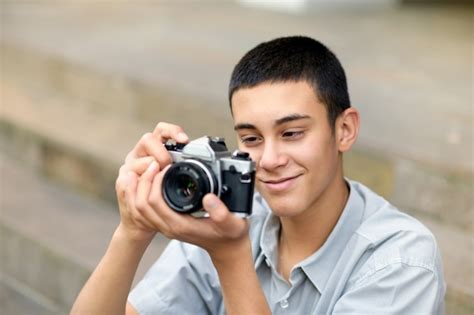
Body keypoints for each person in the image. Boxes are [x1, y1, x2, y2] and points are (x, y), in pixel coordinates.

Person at [71, 36, 445, 314]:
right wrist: (132, 231)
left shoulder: (401, 261)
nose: (268, 159)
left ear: (344, 130)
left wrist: (231, 257)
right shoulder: (226, 216)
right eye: (250, 138)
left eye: (292, 133)